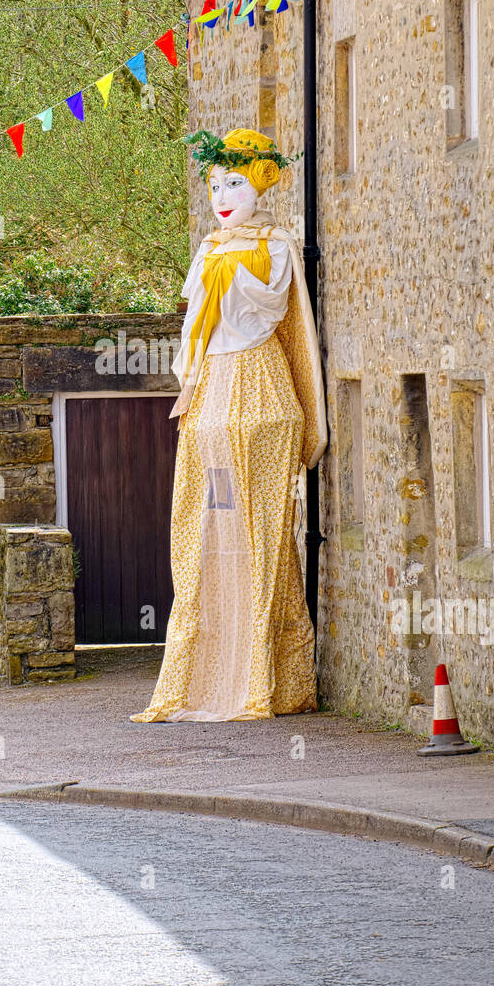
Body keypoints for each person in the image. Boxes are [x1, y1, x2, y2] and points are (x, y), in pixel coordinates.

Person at [131, 127, 328, 723]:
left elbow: (265, 306)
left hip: (261, 386)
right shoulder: (210, 249)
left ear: (261, 184)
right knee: (204, 529)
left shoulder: (275, 246)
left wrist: (230, 270)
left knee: (265, 536)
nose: (222, 194)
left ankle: (267, 679)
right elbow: (198, 320)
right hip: (212, 391)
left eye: (235, 182)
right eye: (215, 183)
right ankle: (202, 673)